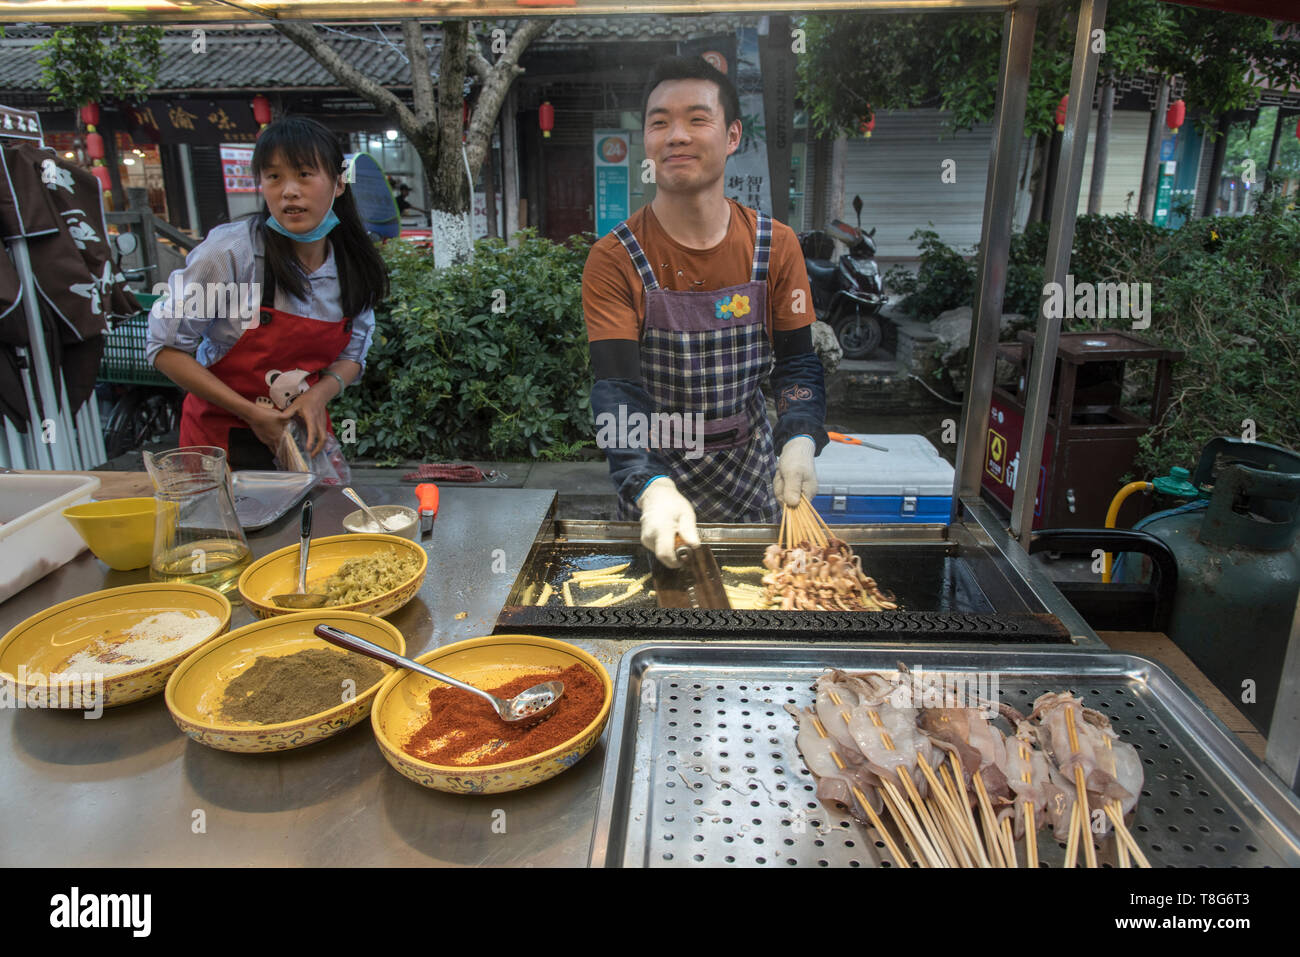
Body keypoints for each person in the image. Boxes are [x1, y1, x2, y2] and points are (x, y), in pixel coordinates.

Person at [582, 56, 827, 567]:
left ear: (732, 135)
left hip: (752, 479)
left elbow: (798, 366)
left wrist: (800, 436)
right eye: (659, 122)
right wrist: (647, 486)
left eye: (697, 119)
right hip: (655, 474)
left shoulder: (776, 246)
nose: (676, 136)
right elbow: (615, 391)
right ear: (646, 141)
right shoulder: (614, 258)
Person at [146, 116, 388, 469]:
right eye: (274, 177)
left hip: (304, 439)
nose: (289, 190)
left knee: (313, 523)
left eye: (304, 174)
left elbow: (353, 357)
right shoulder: (230, 253)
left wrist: (319, 395)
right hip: (218, 445)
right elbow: (165, 348)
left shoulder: (352, 263)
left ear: (338, 183)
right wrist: (251, 413)